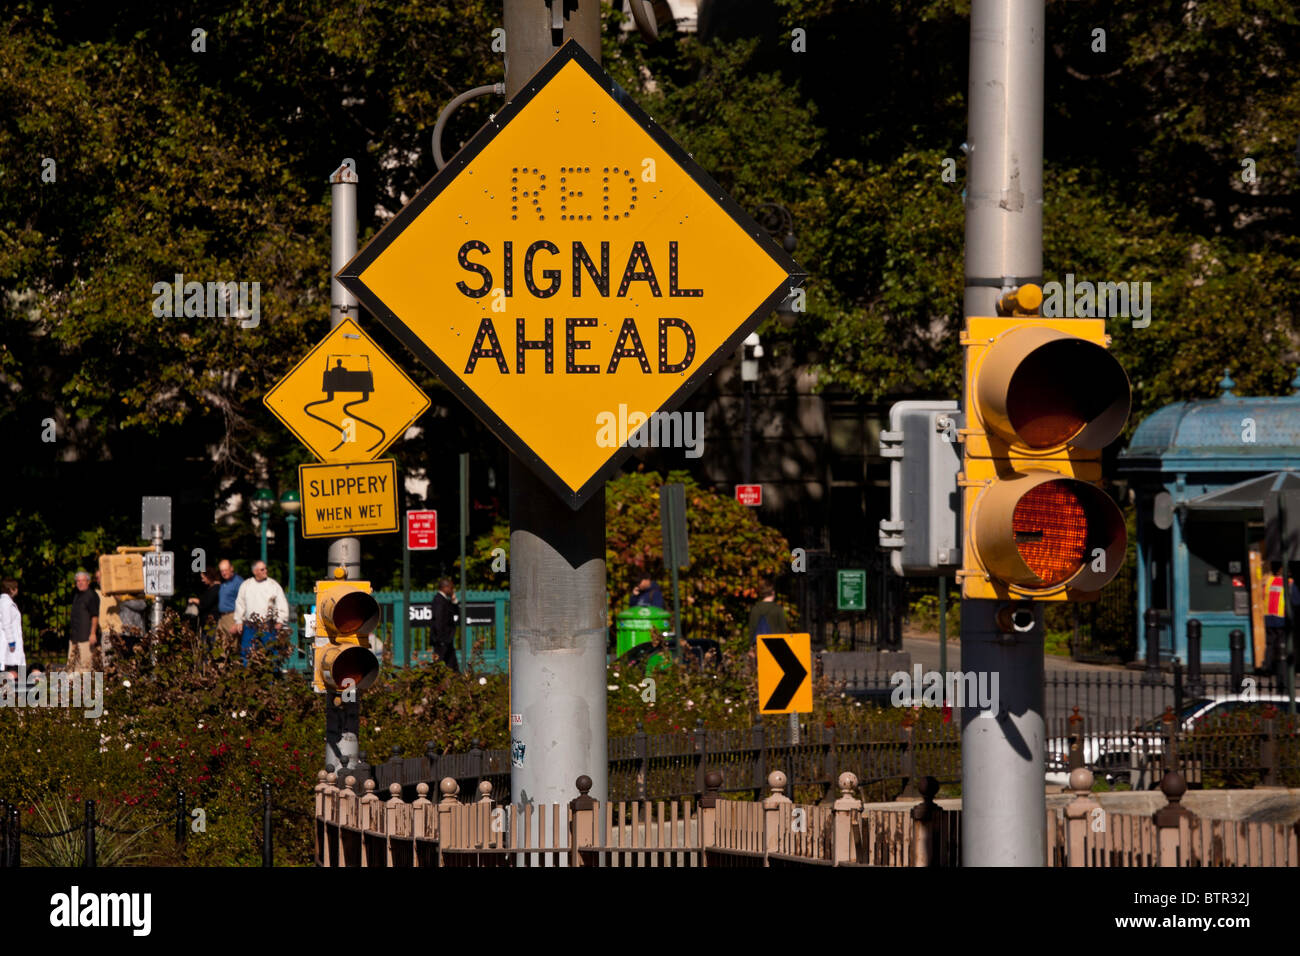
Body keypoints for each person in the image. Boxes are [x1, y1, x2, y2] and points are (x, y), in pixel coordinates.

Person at [232, 560, 289, 662]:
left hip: (267, 625)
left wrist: (281, 620)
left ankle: (272, 676)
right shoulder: (246, 585)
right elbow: (240, 604)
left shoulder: (273, 585)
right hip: (250, 625)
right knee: (247, 653)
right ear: (255, 571)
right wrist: (239, 621)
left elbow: (281, 602)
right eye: (262, 569)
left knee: (271, 654)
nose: (265, 571)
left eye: (265, 568)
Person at [1261, 562, 1300, 681]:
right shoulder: (1289, 583)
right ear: (1288, 573)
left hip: (1268, 618)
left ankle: (1267, 668)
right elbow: (1296, 601)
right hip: (1282, 618)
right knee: (1284, 645)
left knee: (1270, 644)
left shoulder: (1268, 581)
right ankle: (1284, 669)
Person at [68, 570, 99, 673]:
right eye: (78, 581)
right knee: (71, 668)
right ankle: (73, 688)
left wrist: (93, 633)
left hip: (85, 638)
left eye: (83, 581)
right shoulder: (77, 595)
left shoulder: (91, 595)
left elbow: (95, 615)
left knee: (85, 668)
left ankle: (85, 689)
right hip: (74, 638)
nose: (80, 583)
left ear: (88, 581)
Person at [430, 577, 460, 672]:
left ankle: (457, 682)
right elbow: (438, 621)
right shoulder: (439, 601)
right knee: (438, 664)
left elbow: (456, 612)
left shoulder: (444, 600)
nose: (452, 590)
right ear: (445, 587)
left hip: (447, 639)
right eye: (451, 588)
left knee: (452, 664)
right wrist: (441, 640)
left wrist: (454, 600)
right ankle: (433, 684)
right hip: (442, 640)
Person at [187, 569, 222, 642]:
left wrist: (195, 600)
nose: (202, 580)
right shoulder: (211, 588)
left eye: (203, 578)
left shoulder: (216, 589)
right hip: (206, 622)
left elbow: (206, 603)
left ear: (209, 577)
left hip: (212, 622)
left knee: (210, 644)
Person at [0, 579, 25, 680]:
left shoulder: (7, 602)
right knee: (11, 668)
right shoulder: (5, 603)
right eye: (16, 588)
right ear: (11, 589)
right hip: (8, 642)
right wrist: (11, 642)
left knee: (14, 667)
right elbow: (6, 623)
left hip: (11, 641)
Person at [217, 559, 244, 639]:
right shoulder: (224, 582)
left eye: (225, 570)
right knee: (218, 647)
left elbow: (244, 603)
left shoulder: (238, 582)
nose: (224, 573)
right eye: (221, 571)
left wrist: (238, 622)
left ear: (231, 568)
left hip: (232, 617)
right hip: (222, 618)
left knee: (231, 646)